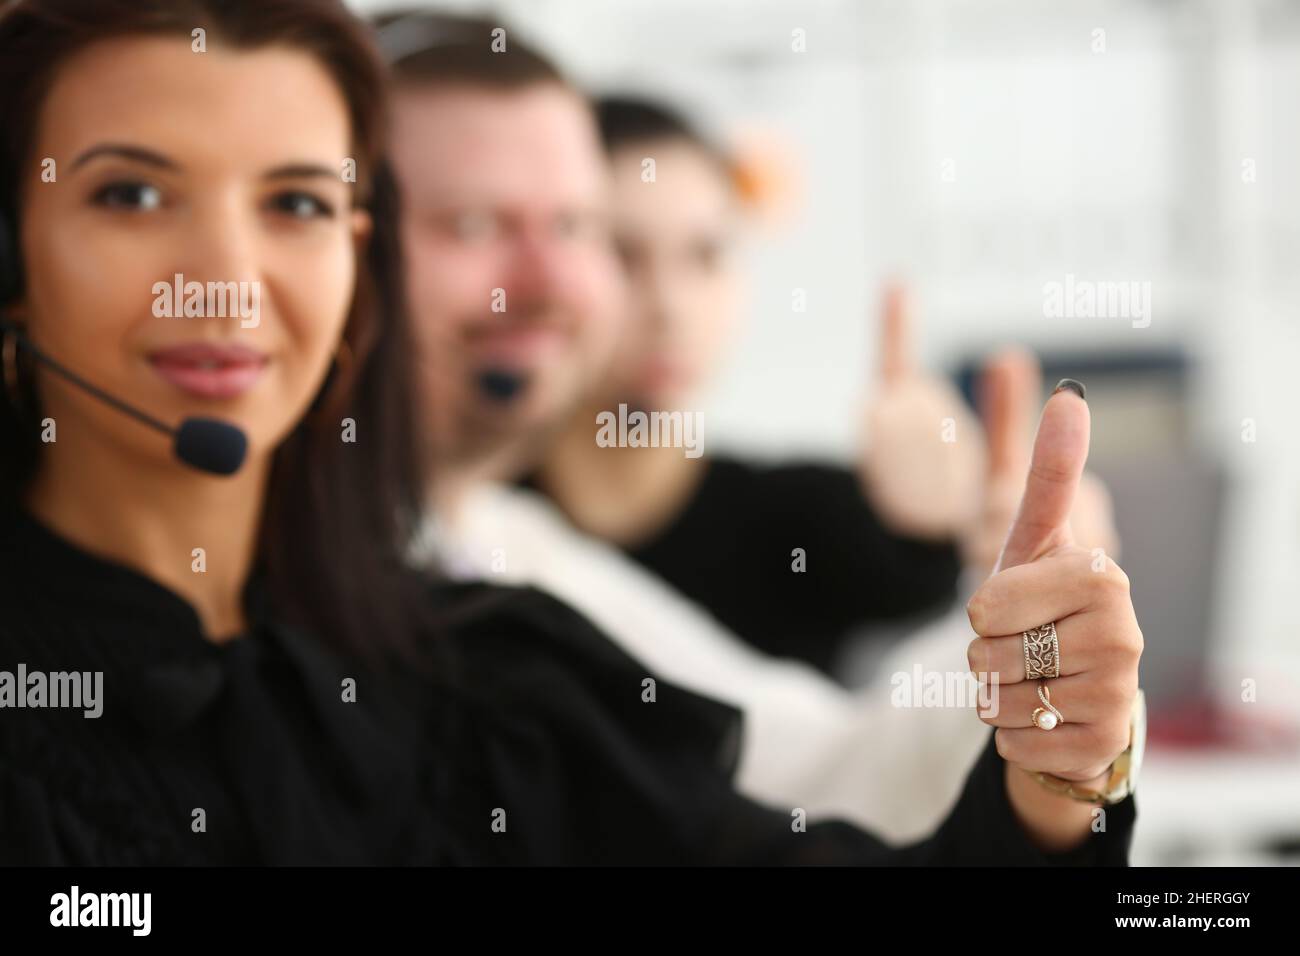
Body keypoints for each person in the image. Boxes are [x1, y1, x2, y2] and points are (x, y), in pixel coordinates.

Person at [0, 0, 1141, 865]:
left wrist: (1061, 756)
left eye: (295, 202)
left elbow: (834, 792)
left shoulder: (486, 669)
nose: (226, 280)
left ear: (353, 261)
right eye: (132, 195)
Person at [382, 12, 1141, 847]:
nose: (552, 282)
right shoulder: (383, 579)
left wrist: (1052, 677)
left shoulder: (505, 544)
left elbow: (821, 770)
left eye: (569, 226)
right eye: (470, 223)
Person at [526, 96, 984, 675]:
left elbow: (921, 589)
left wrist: (934, 528)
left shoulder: (808, 522)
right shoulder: (467, 519)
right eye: (622, 254)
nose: (670, 305)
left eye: (706, 254)